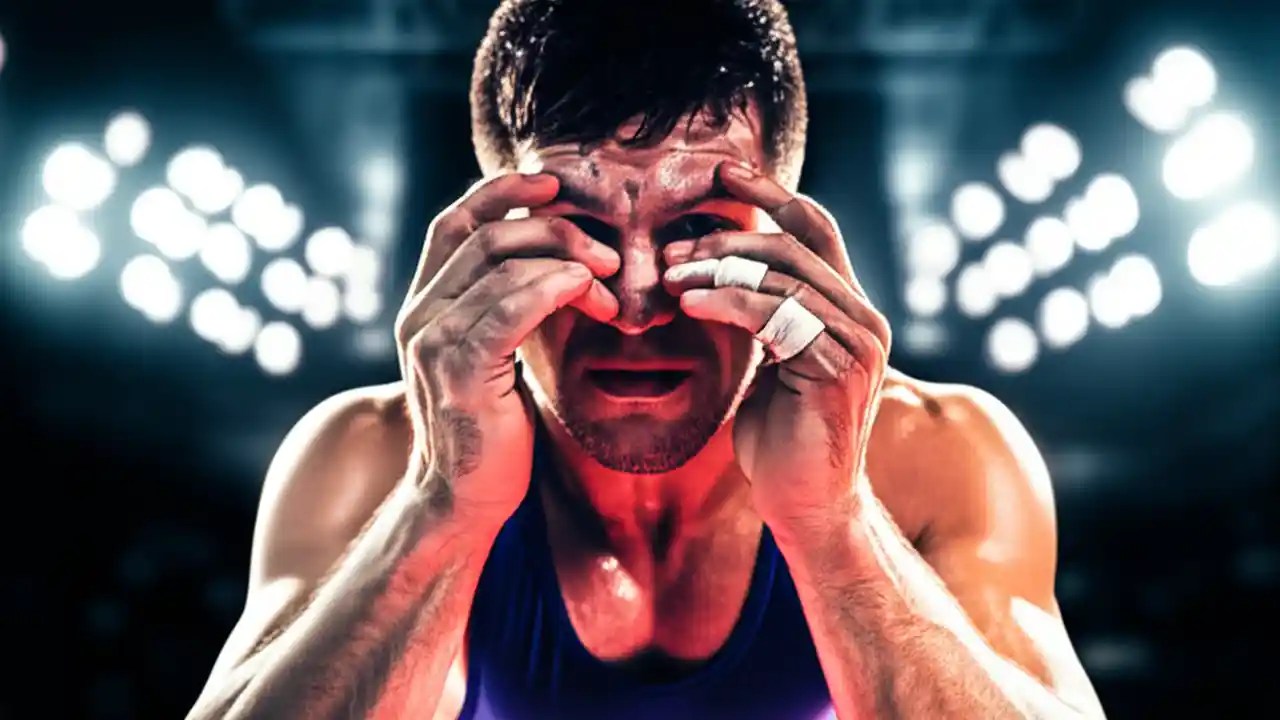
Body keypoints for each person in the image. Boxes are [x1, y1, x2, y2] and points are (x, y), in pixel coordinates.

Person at [188, 1, 1106, 718]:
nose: (634, 306)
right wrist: (443, 505)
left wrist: (834, 525)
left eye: (698, 231)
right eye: (579, 232)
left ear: (785, 237)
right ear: (487, 242)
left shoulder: (932, 453)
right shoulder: (369, 456)